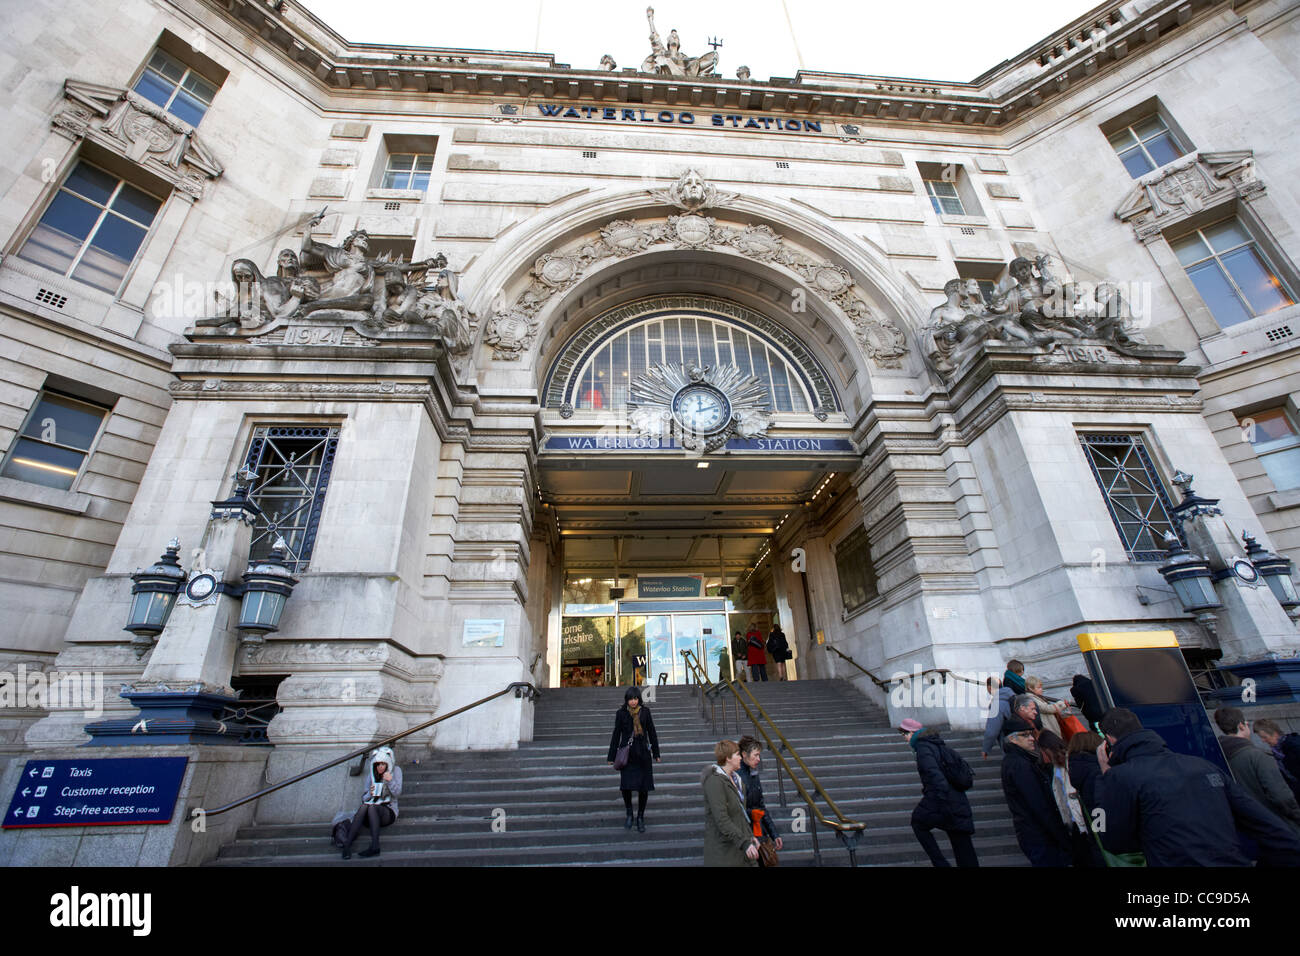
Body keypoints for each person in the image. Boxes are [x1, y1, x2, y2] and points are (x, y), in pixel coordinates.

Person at [1094, 707, 1300, 866]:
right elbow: (1265, 824)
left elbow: (1112, 840)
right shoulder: (1202, 766)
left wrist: (1104, 778)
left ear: (1109, 741)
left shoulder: (1118, 778)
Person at [900, 718, 978, 867]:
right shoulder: (936, 744)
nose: (904, 738)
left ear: (912, 733)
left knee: (917, 822)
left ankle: (940, 863)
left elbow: (935, 777)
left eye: (905, 734)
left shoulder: (923, 748)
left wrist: (936, 802)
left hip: (945, 801)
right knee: (963, 848)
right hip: (957, 800)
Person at [1214, 707, 1300, 835]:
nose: (1263, 741)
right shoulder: (1258, 757)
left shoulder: (1219, 759)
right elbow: (1281, 796)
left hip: (1255, 829)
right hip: (1281, 826)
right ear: (1242, 725)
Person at [999, 716, 1073, 866]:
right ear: (1012, 739)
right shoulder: (1019, 764)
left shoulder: (1020, 760)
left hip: (1036, 833)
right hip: (1039, 835)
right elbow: (1038, 803)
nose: (1031, 738)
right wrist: (1060, 834)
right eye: (1024, 735)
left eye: (1030, 734)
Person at [1038, 730, 1100, 867]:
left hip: (1082, 823)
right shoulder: (1057, 767)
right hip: (1076, 824)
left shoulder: (1069, 764)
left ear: (1046, 749)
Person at [607, 686, 661, 832]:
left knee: (644, 788)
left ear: (639, 699)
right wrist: (611, 756)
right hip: (627, 756)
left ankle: (640, 817)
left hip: (643, 755)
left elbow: (652, 732)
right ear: (627, 700)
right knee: (626, 786)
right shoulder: (621, 714)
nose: (633, 702)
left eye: (635, 698)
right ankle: (629, 813)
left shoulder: (645, 712)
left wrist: (656, 753)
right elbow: (616, 734)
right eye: (630, 699)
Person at [702, 739, 760, 866]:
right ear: (728, 758)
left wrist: (750, 836)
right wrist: (744, 842)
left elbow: (740, 815)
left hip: (740, 849)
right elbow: (722, 819)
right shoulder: (714, 782)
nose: (740, 758)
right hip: (724, 853)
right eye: (737, 754)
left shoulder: (737, 781)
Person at [341, 745, 402, 859]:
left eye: (383, 764)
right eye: (378, 764)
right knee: (365, 806)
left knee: (373, 807)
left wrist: (390, 781)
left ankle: (375, 846)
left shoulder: (396, 771)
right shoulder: (371, 774)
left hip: (388, 811)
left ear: (388, 763)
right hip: (370, 812)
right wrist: (370, 792)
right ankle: (347, 846)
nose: (380, 767)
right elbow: (364, 798)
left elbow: (397, 793)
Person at [736, 735, 783, 859]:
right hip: (745, 834)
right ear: (745, 754)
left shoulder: (753, 773)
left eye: (759, 755)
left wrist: (774, 834)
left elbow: (761, 806)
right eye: (755, 755)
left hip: (759, 830)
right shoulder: (736, 776)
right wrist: (752, 813)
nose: (758, 759)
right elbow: (735, 810)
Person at [1255, 718, 1300, 804]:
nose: (1263, 741)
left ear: (1275, 734)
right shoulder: (1278, 751)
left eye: (1264, 737)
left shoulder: (1294, 746)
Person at [981, 675, 1015, 758]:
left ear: (989, 687)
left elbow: (992, 731)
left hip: (1009, 741)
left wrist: (986, 749)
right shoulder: (1012, 697)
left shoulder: (997, 704)